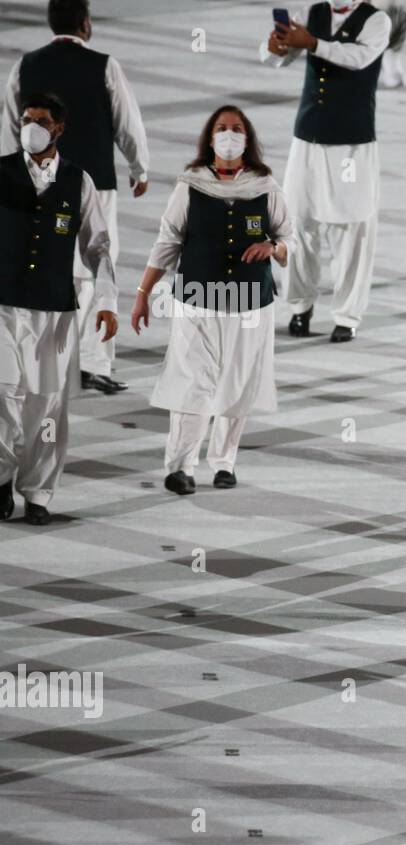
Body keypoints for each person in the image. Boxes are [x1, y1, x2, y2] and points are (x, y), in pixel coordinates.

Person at [130, 106, 291, 496]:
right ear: (210, 137)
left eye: (236, 129)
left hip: (251, 302)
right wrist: (143, 294)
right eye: (222, 128)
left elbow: (290, 240)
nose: (229, 135)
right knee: (193, 382)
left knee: (238, 381)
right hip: (198, 299)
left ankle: (224, 461)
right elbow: (168, 241)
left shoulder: (265, 186)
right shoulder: (191, 185)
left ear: (248, 139)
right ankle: (181, 466)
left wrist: (272, 246)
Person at [4, 0, 148, 395]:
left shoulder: (25, 66)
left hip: (38, 186)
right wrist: (140, 169)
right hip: (96, 184)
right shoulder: (105, 66)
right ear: (86, 23)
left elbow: (8, 126)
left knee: (47, 267)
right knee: (98, 266)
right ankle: (94, 362)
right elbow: (127, 123)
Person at [0, 92, 117, 525]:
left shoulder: (78, 181)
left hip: (54, 311)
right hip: (4, 306)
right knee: (2, 396)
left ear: (59, 128)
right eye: (26, 118)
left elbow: (98, 247)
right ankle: (0, 478)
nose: (31, 126)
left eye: (41, 120)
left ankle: (38, 493)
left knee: (46, 406)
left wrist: (105, 301)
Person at [260, 0, 391, 343]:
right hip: (308, 139)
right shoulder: (311, 13)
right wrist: (275, 47)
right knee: (298, 224)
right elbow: (276, 56)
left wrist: (314, 44)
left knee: (352, 228)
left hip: (351, 145)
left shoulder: (376, 21)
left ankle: (347, 315)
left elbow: (358, 59)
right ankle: (300, 307)